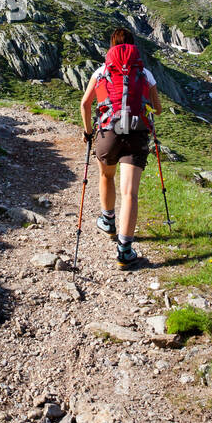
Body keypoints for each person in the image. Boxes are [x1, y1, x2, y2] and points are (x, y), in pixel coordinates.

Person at [80, 28, 162, 267]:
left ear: (111, 46)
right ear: (134, 46)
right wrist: (144, 109)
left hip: (109, 133)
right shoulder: (145, 73)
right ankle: (125, 251)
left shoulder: (102, 71)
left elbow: (85, 104)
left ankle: (108, 221)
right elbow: (157, 109)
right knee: (130, 193)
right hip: (136, 133)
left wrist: (88, 132)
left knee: (106, 175)